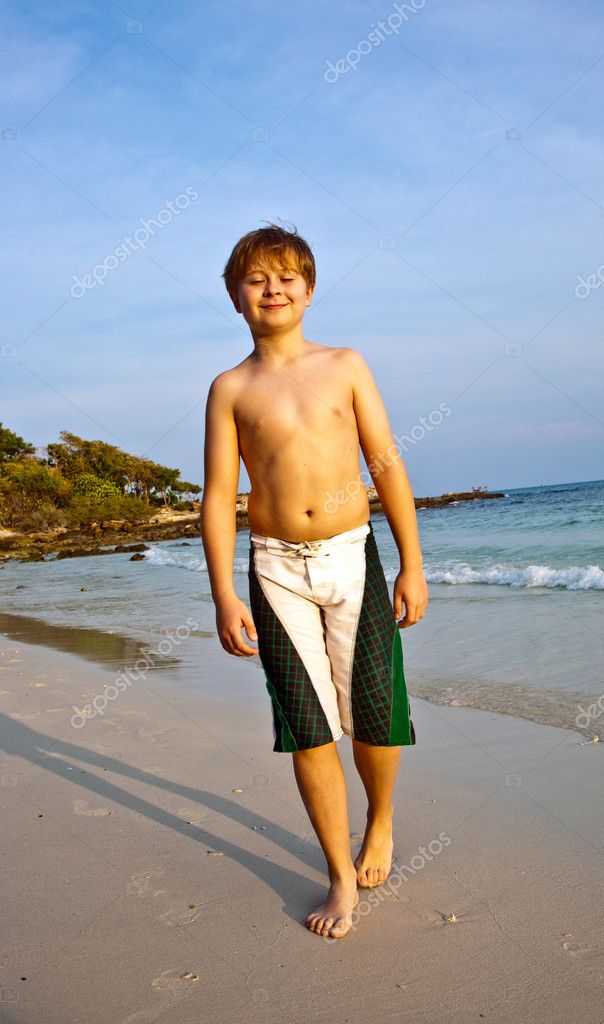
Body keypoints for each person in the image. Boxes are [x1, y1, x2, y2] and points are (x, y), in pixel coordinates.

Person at [201, 222, 428, 939]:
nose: (273, 288)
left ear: (308, 288)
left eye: (286, 276)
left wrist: (411, 564)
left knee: (375, 713)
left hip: (350, 557)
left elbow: (385, 465)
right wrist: (223, 593)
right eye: (256, 279)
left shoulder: (345, 366)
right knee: (306, 730)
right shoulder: (229, 387)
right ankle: (337, 877)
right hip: (273, 569)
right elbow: (216, 497)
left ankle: (381, 817)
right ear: (235, 297)